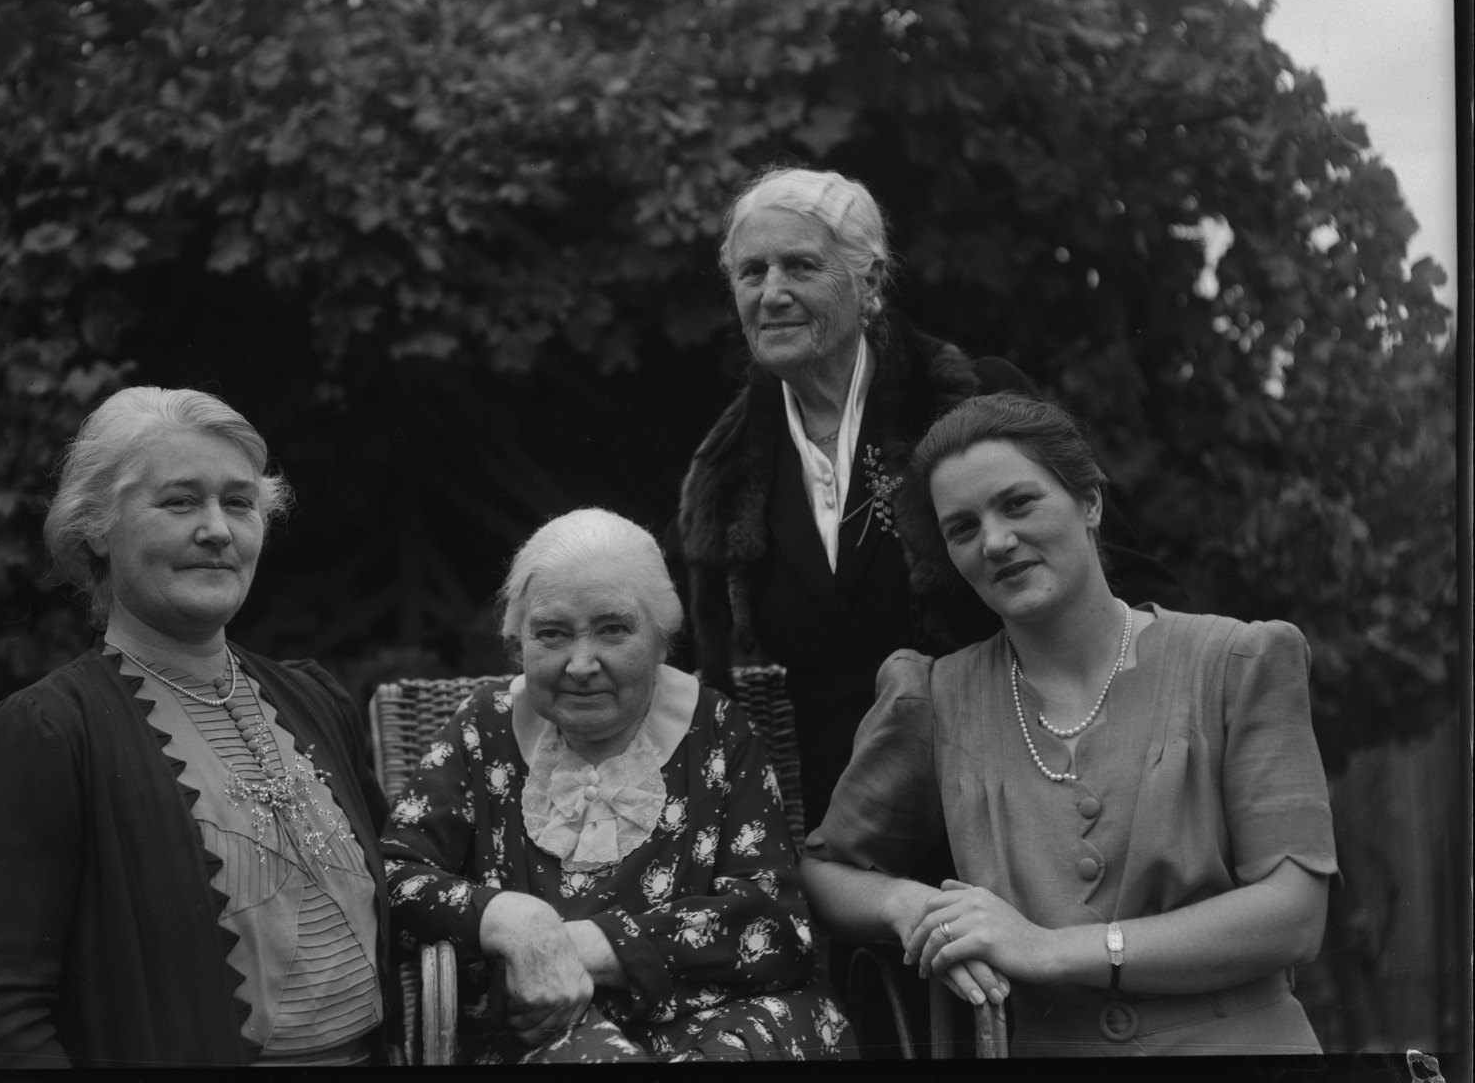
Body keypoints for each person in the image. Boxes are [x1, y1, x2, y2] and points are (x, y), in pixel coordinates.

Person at [800, 393, 1338, 1055]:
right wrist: (916, 910)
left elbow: (1292, 916)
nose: (995, 542)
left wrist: (1049, 950)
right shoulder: (937, 700)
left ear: (1090, 502)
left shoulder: (1237, 664)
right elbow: (826, 872)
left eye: (1018, 503)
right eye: (963, 528)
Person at [677, 165, 1189, 834]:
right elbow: (710, 684)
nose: (772, 293)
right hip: (837, 847)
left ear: (869, 281)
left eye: (801, 266)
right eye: (751, 272)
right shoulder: (720, 475)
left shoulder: (975, 402)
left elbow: (1125, 587)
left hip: (1016, 814)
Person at [0, 387, 393, 1068]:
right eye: (180, 501)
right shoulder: (47, 735)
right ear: (94, 525)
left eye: (239, 503)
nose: (217, 529)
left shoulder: (315, 701)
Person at [379, 508, 853, 1063]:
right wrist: (510, 918)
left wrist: (588, 945)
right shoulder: (483, 727)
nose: (581, 664)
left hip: (720, 1018)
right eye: (552, 634)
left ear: (659, 639)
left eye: (613, 629)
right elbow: (389, 880)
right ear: (517, 644)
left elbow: (774, 920)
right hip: (548, 1030)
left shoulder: (718, 727)